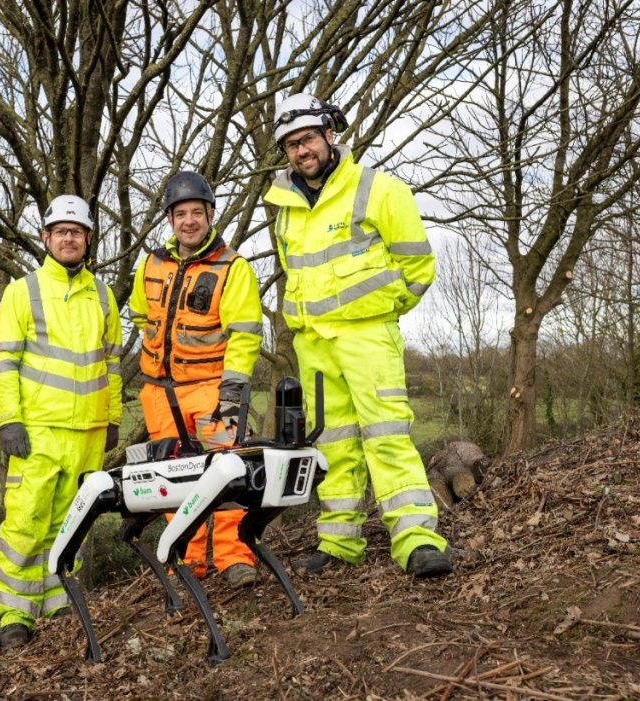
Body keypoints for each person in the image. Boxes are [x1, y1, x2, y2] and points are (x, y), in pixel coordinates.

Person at [263, 92, 451, 578]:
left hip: (367, 339)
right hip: (313, 345)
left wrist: (380, 311)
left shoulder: (379, 189)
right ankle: (339, 541)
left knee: (386, 435)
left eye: (307, 139)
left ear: (329, 135)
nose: (301, 151)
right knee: (333, 445)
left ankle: (416, 540)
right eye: (290, 145)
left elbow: (417, 267)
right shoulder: (283, 205)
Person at [0, 194, 123, 649]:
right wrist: (9, 421)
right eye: (61, 231)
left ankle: (59, 600)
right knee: (25, 523)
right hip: (38, 431)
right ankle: (14, 614)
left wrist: (113, 417)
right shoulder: (21, 291)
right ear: (46, 238)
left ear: (88, 240)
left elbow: (112, 363)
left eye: (77, 232)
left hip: (87, 432)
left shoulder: (103, 295)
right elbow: (4, 361)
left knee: (71, 524)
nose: (69, 238)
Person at [129, 171, 264, 588]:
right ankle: (186, 556)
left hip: (211, 389)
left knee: (225, 474)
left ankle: (232, 556)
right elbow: (138, 314)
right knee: (171, 480)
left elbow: (245, 333)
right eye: (180, 213)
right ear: (169, 219)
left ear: (210, 215)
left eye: (196, 213)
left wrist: (232, 390)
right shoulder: (151, 264)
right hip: (159, 392)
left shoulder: (233, 267)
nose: (189, 221)